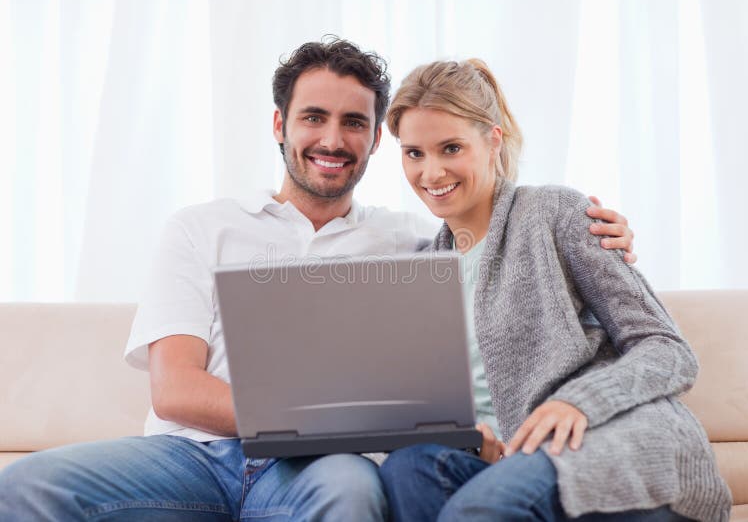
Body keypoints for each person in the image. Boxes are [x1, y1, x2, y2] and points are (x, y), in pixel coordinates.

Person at [0, 39, 634, 521]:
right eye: (313, 118)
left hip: (315, 469)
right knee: (21, 486)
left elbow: (492, 241)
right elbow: (177, 391)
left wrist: (599, 237)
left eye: (354, 123)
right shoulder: (200, 228)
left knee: (352, 492)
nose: (332, 139)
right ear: (281, 126)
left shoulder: (410, 243)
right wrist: (325, 419)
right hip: (189, 456)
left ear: (374, 143)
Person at [378, 59, 732, 522]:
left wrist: (577, 401)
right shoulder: (424, 269)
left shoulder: (555, 214)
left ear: (492, 140)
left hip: (606, 438)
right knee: (409, 469)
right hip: (507, 459)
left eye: (450, 148)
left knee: (481, 508)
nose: (431, 171)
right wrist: (470, 435)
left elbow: (668, 349)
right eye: (414, 153)